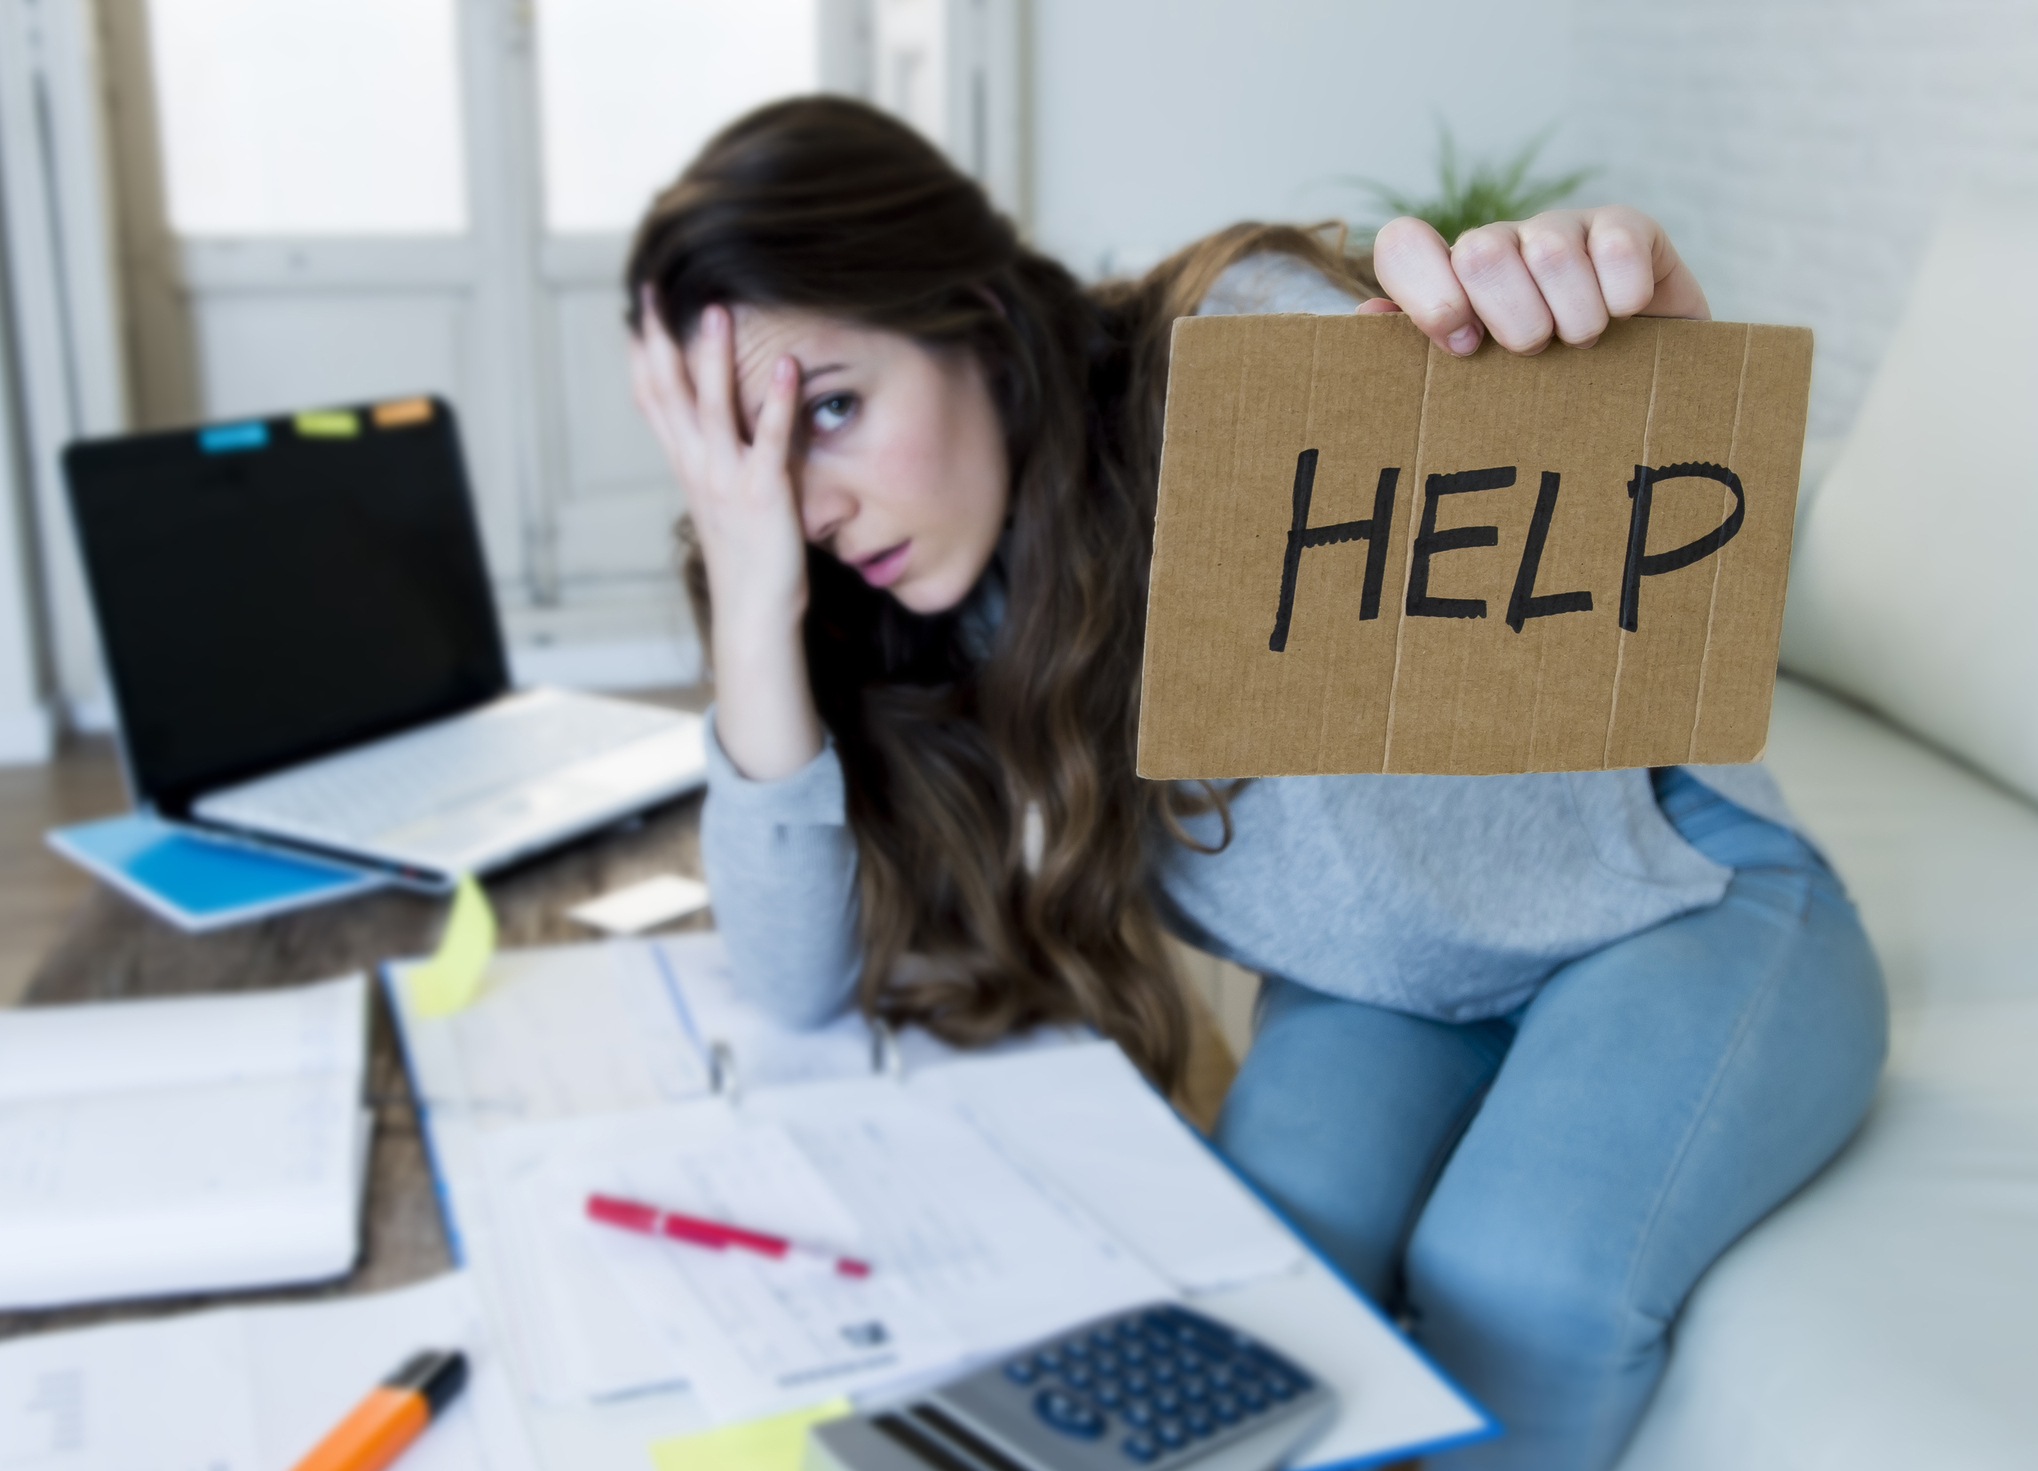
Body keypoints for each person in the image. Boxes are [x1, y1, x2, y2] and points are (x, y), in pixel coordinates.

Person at [623, 96, 1885, 1470]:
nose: (810, 506)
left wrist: (1599, 348)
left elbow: (1596, 503)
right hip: (1384, 982)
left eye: (834, 410)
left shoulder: (1230, 357)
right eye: (751, 459)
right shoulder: (905, 605)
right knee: (1261, 1274)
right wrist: (753, 601)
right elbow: (794, 976)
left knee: (1513, 1276)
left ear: (976, 321)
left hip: (1673, 893)